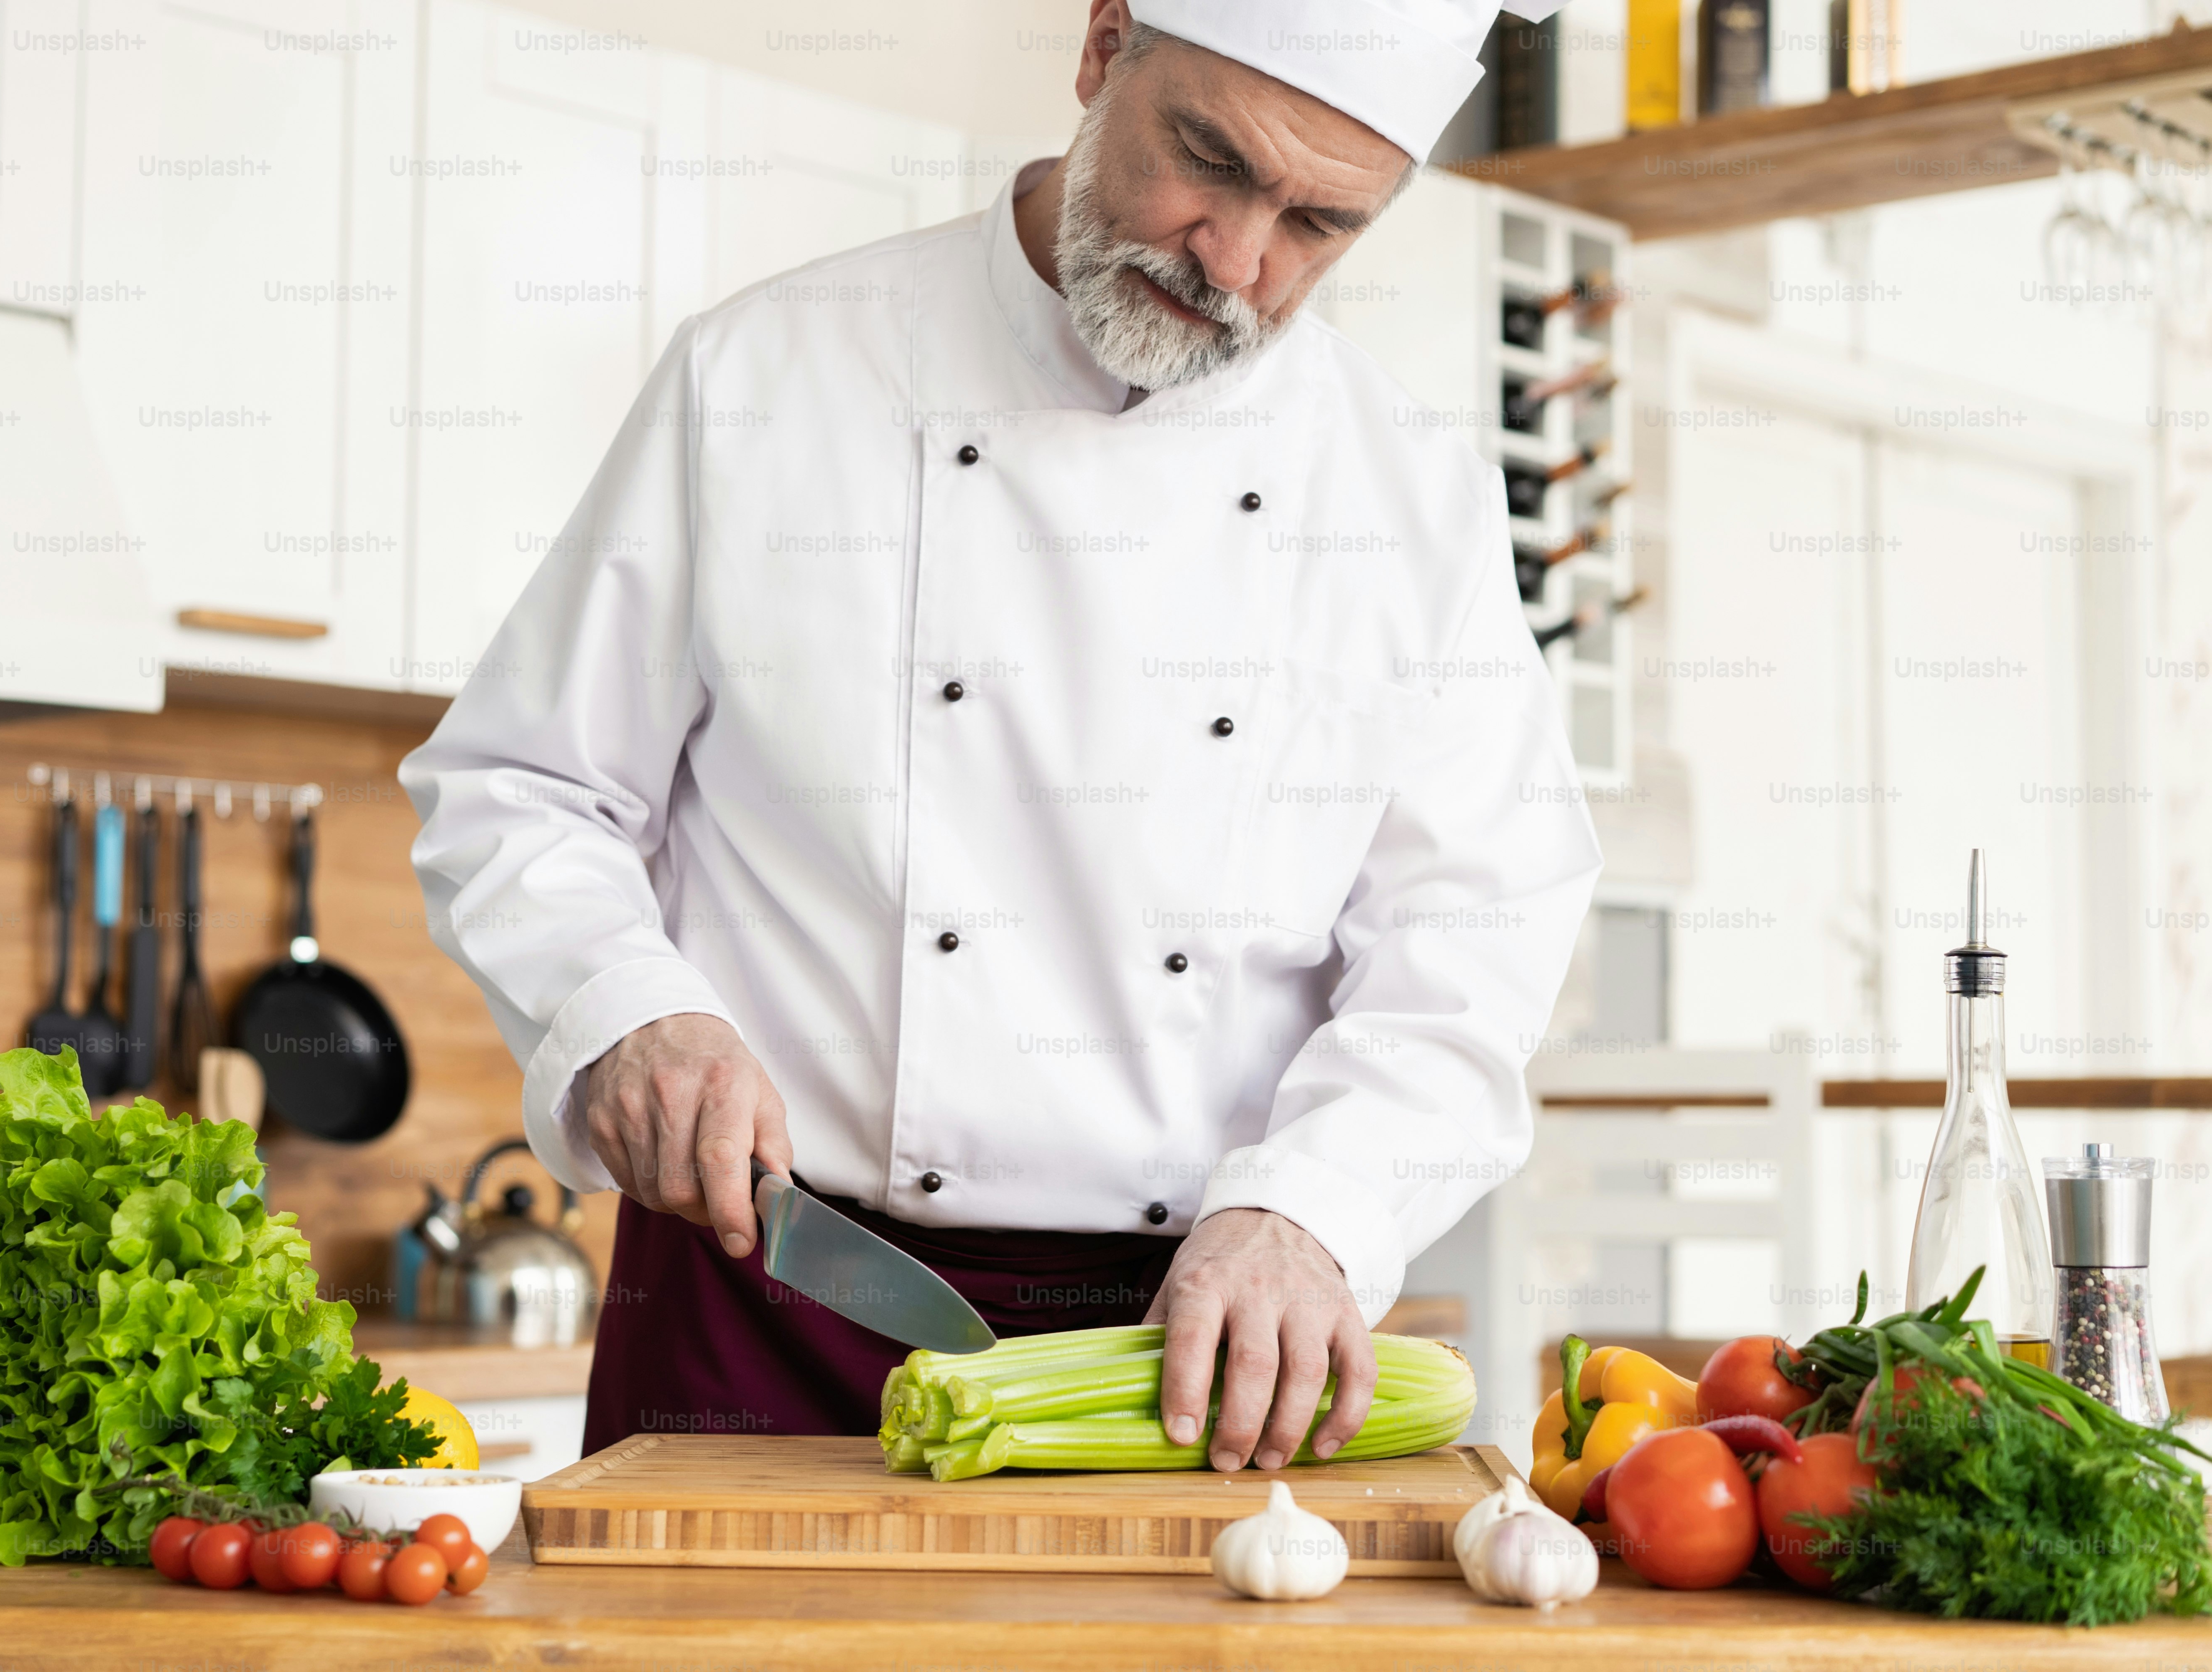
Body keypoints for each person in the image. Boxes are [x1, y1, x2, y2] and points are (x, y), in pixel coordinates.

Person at [401, 0, 1598, 1473]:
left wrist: (1320, 1212)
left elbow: (1474, 937)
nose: (1233, 259)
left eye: (1318, 224)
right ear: (1104, 50)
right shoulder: (767, 376)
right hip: (763, 1290)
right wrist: (625, 1014)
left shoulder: (1411, 497)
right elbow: (522, 788)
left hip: (1179, 1358)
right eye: (1205, 159)